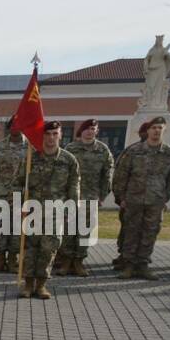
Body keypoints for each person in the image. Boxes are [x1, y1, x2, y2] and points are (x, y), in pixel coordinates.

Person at [113, 116, 170, 279]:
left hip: (156, 201)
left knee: (150, 233)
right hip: (133, 199)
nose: (157, 130)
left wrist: (166, 199)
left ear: (164, 130)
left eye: (160, 128)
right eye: (154, 127)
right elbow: (121, 175)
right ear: (148, 130)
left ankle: (142, 265)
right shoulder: (134, 151)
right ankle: (128, 265)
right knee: (131, 232)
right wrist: (120, 197)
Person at [18, 121, 80, 300]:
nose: (51, 138)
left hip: (56, 212)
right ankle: (28, 284)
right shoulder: (31, 157)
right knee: (30, 248)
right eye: (47, 134)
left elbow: (74, 186)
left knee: (49, 249)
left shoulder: (68, 160)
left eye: (55, 134)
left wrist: (71, 210)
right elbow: (18, 182)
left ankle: (42, 284)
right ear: (42, 136)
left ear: (60, 135)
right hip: (32, 211)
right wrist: (18, 205)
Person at [61, 118, 114, 276]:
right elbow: (63, 173)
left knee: (85, 232)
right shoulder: (71, 148)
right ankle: (66, 262)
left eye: (93, 128)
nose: (90, 131)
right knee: (68, 231)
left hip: (91, 196)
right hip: (71, 197)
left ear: (97, 131)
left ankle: (78, 262)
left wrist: (102, 195)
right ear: (81, 130)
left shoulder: (103, 150)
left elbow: (107, 174)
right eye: (87, 128)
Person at [0, 118, 28, 272]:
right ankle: (0, 258)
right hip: (1, 193)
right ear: (9, 128)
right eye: (13, 125)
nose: (16, 128)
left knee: (17, 229)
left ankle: (12, 260)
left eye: (20, 125)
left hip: (21, 195)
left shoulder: (31, 147)